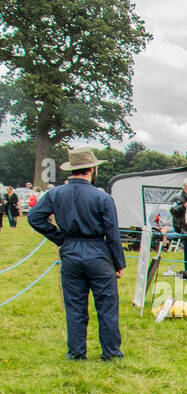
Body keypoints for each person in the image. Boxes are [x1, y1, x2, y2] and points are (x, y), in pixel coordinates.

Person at [27, 148, 126, 361]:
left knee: (74, 306)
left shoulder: (55, 194)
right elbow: (113, 234)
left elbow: (34, 217)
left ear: (72, 169)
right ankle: (111, 353)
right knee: (107, 306)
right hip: (98, 252)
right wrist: (119, 263)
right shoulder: (102, 197)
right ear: (92, 169)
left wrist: (60, 238)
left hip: (71, 253)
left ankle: (76, 353)